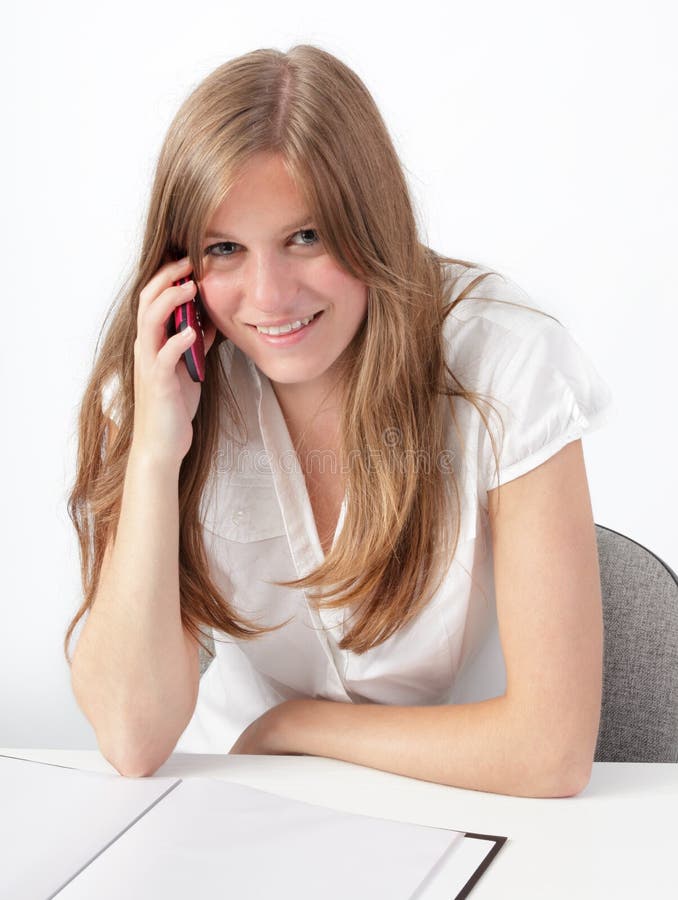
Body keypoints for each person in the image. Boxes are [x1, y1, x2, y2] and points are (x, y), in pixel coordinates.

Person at [65, 44, 614, 797]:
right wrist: (156, 454)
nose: (270, 297)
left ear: (371, 225)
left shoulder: (505, 363)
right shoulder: (165, 380)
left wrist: (294, 726)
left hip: (461, 791)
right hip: (246, 798)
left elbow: (550, 751)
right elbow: (133, 739)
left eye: (306, 236)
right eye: (225, 249)